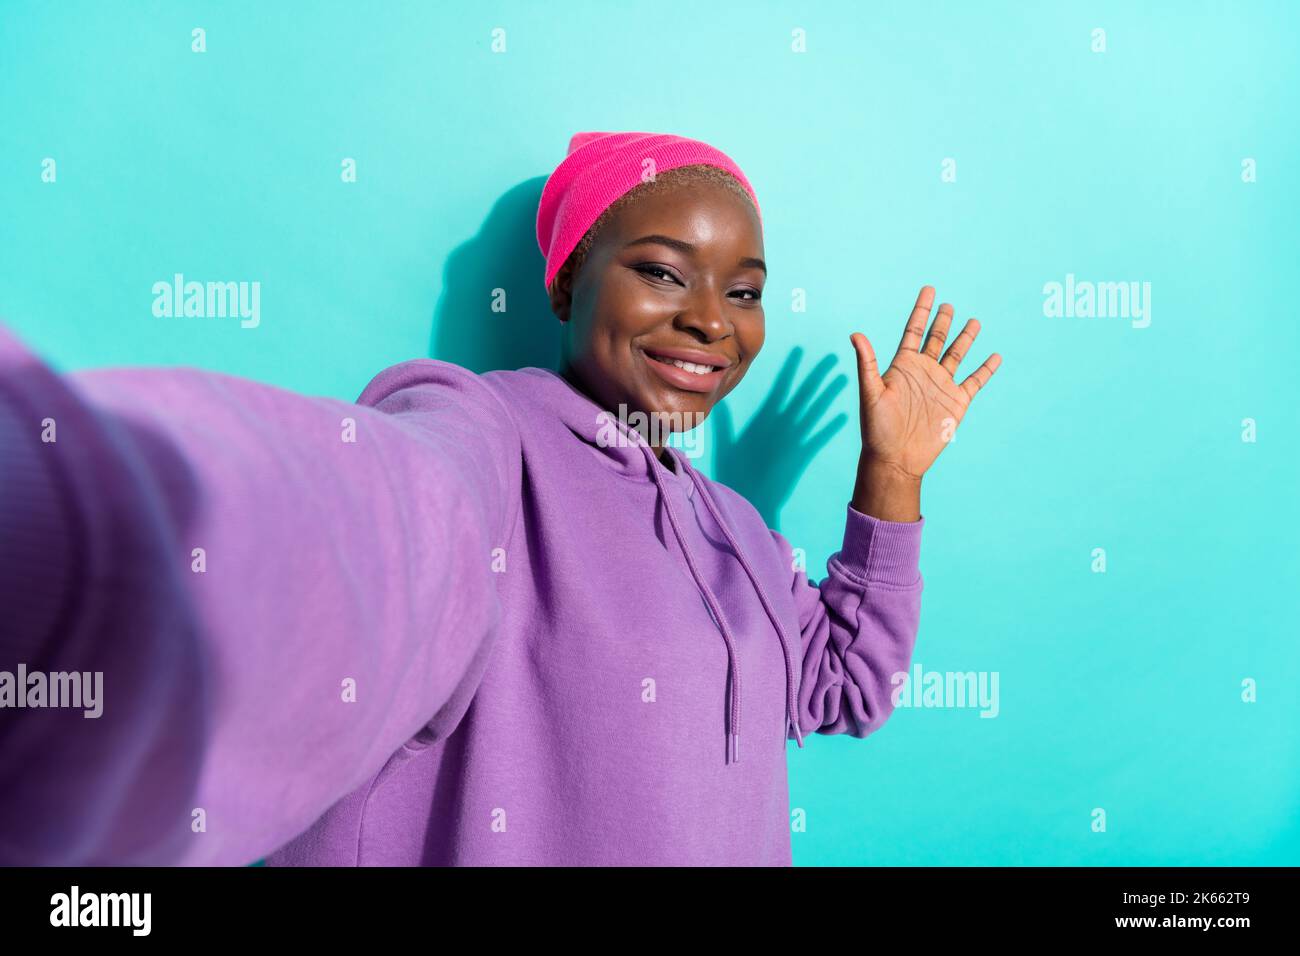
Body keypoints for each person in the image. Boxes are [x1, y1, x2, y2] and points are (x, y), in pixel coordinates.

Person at [0, 131, 1001, 866]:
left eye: (742, 291)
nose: (708, 321)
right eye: (662, 272)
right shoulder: (482, 431)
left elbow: (844, 689)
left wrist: (892, 475)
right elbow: (376, 517)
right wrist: (86, 518)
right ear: (567, 284)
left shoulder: (733, 526)